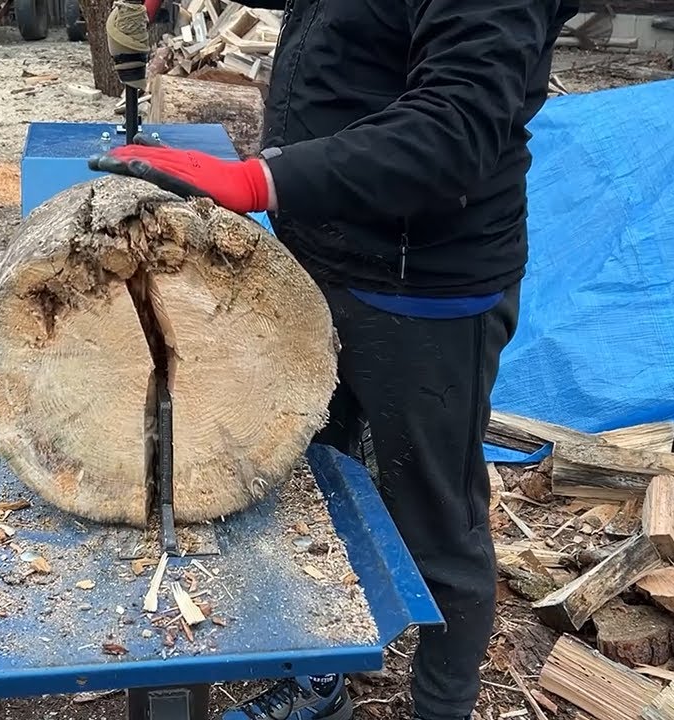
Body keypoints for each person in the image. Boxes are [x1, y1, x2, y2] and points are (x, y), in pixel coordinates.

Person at [92, 0, 578, 718]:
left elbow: (455, 130)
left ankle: (441, 707)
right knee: (312, 490)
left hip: (422, 288)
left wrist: (261, 182)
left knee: (438, 523)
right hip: (322, 257)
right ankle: (319, 683)